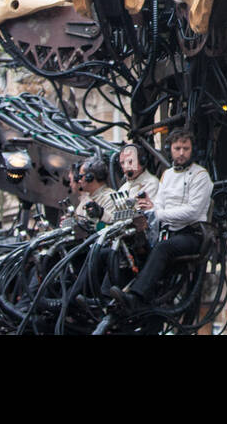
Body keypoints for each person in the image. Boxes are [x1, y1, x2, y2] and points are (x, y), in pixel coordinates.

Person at [110, 128, 213, 309]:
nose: (181, 153)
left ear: (192, 151)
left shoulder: (200, 176)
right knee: (132, 246)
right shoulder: (167, 175)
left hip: (192, 234)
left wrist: (158, 213)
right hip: (168, 232)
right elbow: (159, 204)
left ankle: (136, 298)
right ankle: (110, 295)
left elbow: (193, 212)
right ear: (170, 149)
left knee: (163, 248)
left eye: (186, 149)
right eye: (177, 148)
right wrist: (152, 209)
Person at [76, 156, 125, 227]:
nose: (79, 181)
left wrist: (101, 214)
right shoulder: (86, 199)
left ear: (89, 177)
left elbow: (115, 226)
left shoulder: (110, 198)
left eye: (81, 176)